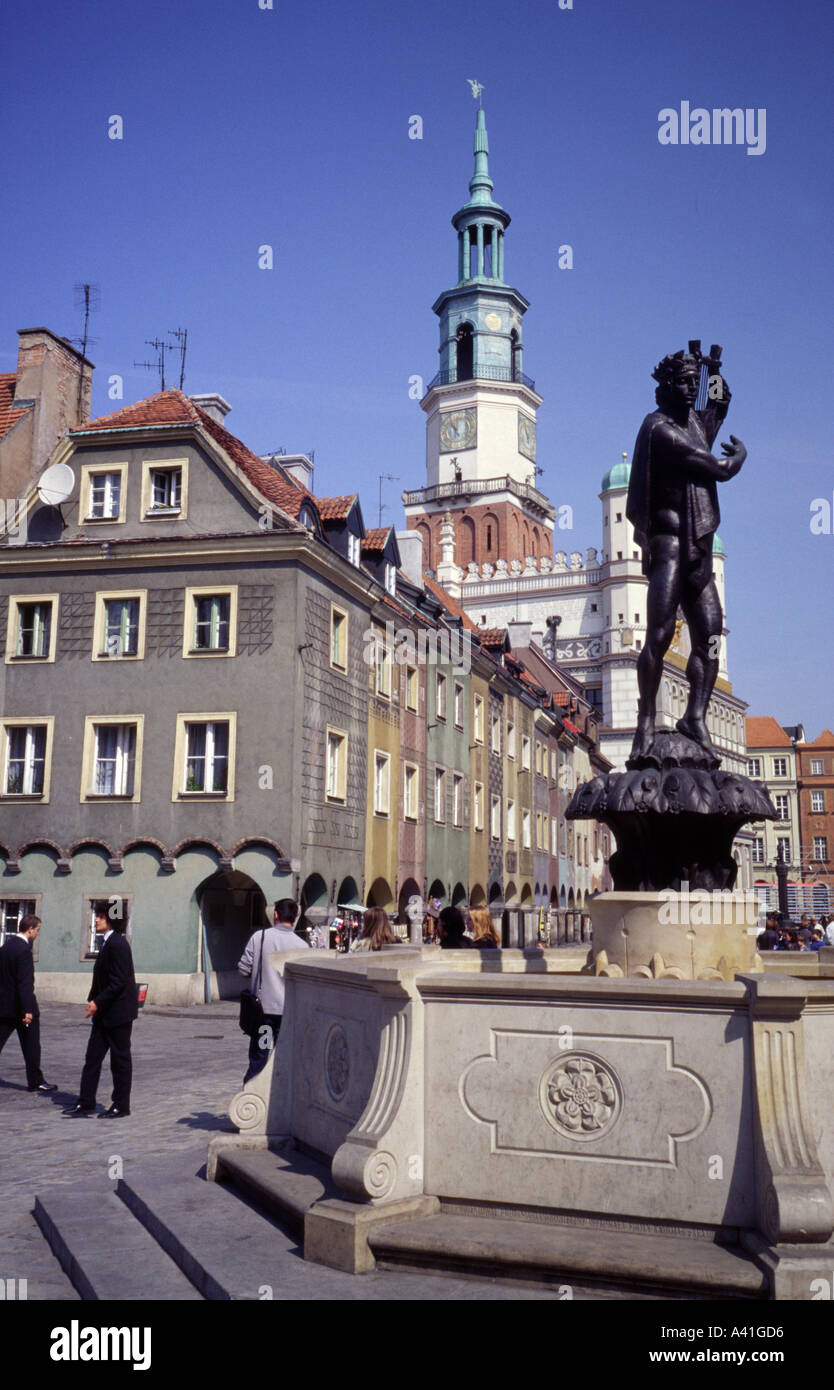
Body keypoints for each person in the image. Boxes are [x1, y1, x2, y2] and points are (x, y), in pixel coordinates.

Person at [626, 344, 745, 764]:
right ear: (664, 388)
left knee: (710, 637)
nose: (691, 389)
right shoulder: (660, 429)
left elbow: (717, 405)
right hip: (670, 545)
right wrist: (740, 458)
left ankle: (695, 716)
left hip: (698, 549)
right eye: (684, 382)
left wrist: (713, 370)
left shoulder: (692, 422)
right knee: (658, 636)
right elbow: (715, 467)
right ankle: (644, 722)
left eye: (693, 383)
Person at [64, 902, 138, 1118]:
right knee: (92, 1058)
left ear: (111, 920)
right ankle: (86, 1101)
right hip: (104, 1013)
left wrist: (98, 1002)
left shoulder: (118, 944)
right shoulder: (108, 943)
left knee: (120, 1061)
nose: (96, 920)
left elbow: (119, 981)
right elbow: (102, 979)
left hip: (118, 1014)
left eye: (101, 916)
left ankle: (121, 1105)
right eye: (97, 916)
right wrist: (94, 1001)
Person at [237, 898, 310, 1084]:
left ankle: (251, 1099)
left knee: (260, 1058)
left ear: (275, 914)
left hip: (263, 1013)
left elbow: (243, 969)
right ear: (295, 918)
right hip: (288, 1015)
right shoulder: (302, 946)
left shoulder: (260, 937)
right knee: (283, 1059)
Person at [0, 913, 56, 1093]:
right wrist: (28, 1010)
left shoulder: (6, 947)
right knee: (31, 1046)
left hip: (4, 1006)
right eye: (37, 930)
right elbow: (24, 983)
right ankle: (36, 1081)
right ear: (30, 929)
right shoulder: (23, 951)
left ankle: (36, 1080)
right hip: (21, 1008)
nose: (38, 934)